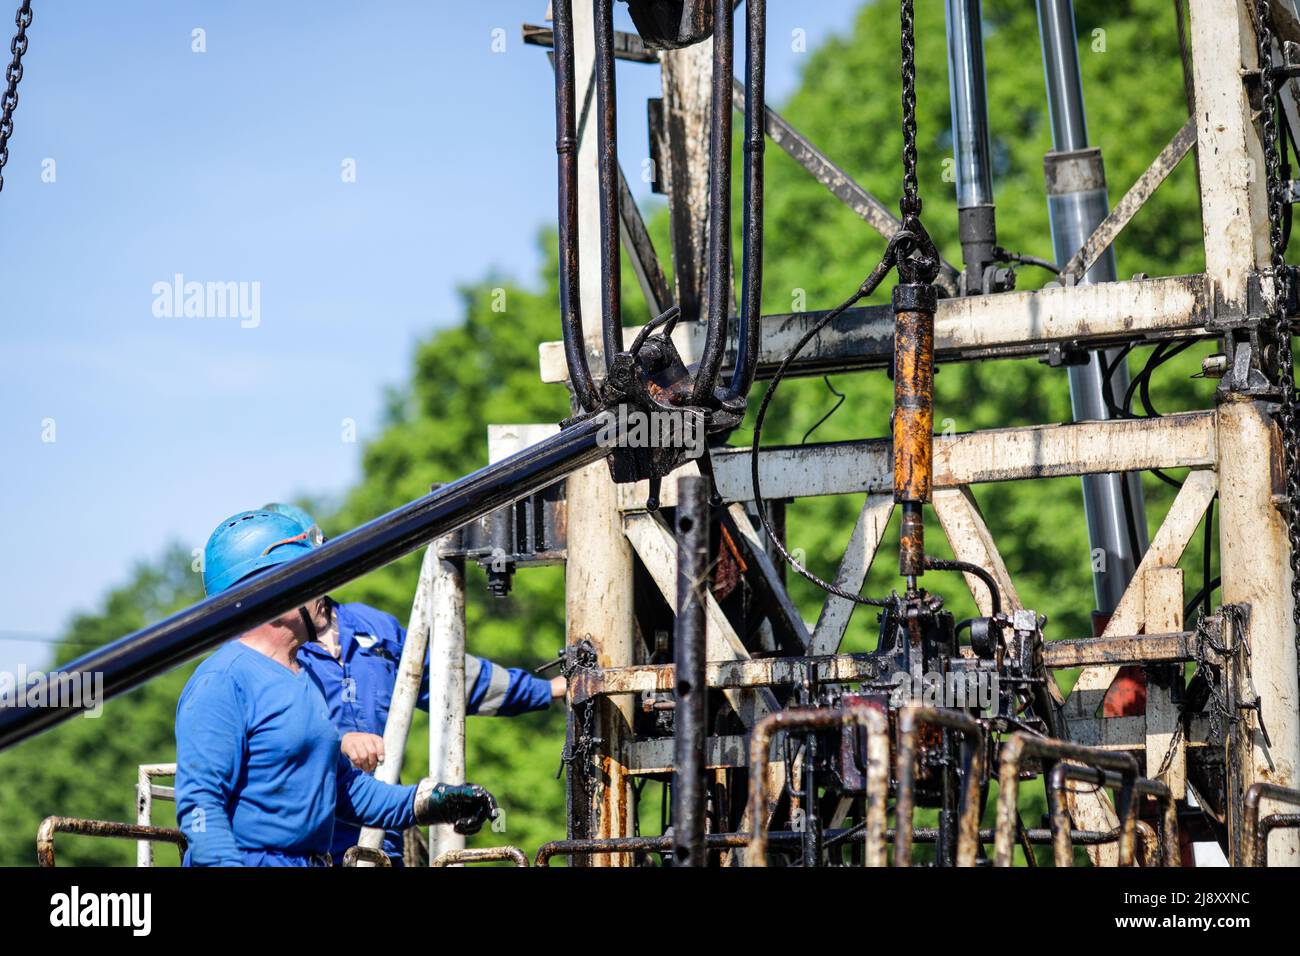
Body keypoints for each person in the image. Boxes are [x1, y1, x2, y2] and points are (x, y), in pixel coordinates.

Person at [174, 509, 498, 866]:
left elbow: (346, 788)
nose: (324, 593)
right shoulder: (222, 682)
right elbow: (201, 806)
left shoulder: (301, 676)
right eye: (310, 578)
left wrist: (433, 802)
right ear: (271, 591)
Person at [263, 502, 562, 865]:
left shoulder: (372, 628)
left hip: (383, 838)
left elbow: (450, 677)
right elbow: (268, 744)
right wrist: (340, 744)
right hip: (310, 845)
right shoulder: (269, 652)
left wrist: (547, 690)